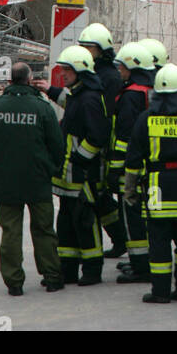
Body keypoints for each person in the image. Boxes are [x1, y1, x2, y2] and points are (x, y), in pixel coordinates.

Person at [0, 61, 65, 296]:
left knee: (11, 231)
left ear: (9, 81)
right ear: (29, 80)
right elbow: (57, 144)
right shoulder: (43, 108)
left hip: (5, 181)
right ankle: (52, 276)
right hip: (38, 180)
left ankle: (14, 283)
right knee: (44, 229)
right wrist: (54, 169)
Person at [125, 62, 177, 304]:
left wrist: (129, 190)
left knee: (158, 242)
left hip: (155, 188)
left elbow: (133, 159)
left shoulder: (146, 119)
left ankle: (160, 292)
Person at [51, 45, 110, 286]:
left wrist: (79, 158)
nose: (63, 74)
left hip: (83, 174)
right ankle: (68, 270)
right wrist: (49, 90)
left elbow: (97, 137)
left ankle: (92, 270)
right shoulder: (79, 94)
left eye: (67, 70)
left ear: (80, 71)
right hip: (68, 174)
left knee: (85, 221)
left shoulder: (90, 100)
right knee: (65, 223)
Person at [110, 42, 156, 284]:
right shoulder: (151, 91)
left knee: (133, 217)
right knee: (148, 218)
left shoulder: (130, 97)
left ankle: (141, 267)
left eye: (123, 67)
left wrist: (116, 170)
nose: (119, 71)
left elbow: (124, 139)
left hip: (132, 169)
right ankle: (146, 262)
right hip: (152, 167)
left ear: (133, 67)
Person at [78, 22, 125, 257]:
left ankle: (120, 237)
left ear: (102, 50)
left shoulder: (109, 78)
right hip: (93, 141)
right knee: (99, 196)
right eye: (83, 47)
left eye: (90, 48)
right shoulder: (92, 74)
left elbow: (105, 114)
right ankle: (120, 237)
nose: (86, 52)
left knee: (97, 195)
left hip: (102, 145)